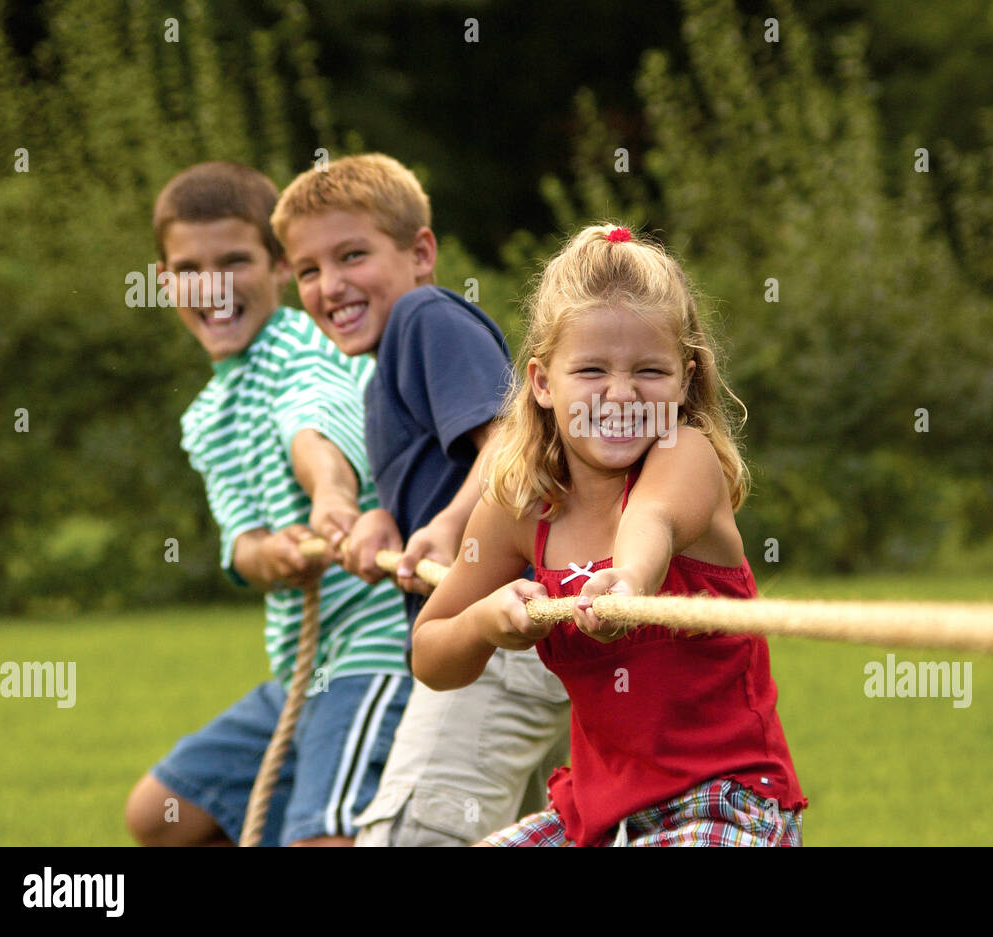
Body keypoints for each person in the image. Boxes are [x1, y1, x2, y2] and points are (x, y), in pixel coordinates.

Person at [411, 224, 806, 846]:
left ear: (684, 380)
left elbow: (651, 519)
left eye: (649, 371)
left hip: (723, 802)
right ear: (543, 383)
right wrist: (487, 622)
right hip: (596, 815)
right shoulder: (521, 507)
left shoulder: (684, 453)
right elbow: (430, 651)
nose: (621, 395)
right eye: (592, 369)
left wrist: (627, 583)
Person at [270, 153, 570, 846]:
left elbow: (509, 446)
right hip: (513, 636)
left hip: (494, 629)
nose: (331, 285)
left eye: (352, 255)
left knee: (413, 837)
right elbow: (451, 469)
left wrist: (443, 524)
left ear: (421, 252)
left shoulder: (422, 316)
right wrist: (388, 517)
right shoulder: (383, 376)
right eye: (310, 270)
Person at [124, 161, 412, 846]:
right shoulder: (207, 416)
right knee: (161, 813)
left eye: (234, 261)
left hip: (372, 651)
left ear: (279, 267)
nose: (213, 285)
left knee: (323, 835)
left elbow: (312, 422)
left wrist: (331, 495)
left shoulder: (299, 343)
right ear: (165, 281)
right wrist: (272, 556)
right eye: (189, 267)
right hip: (302, 672)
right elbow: (243, 545)